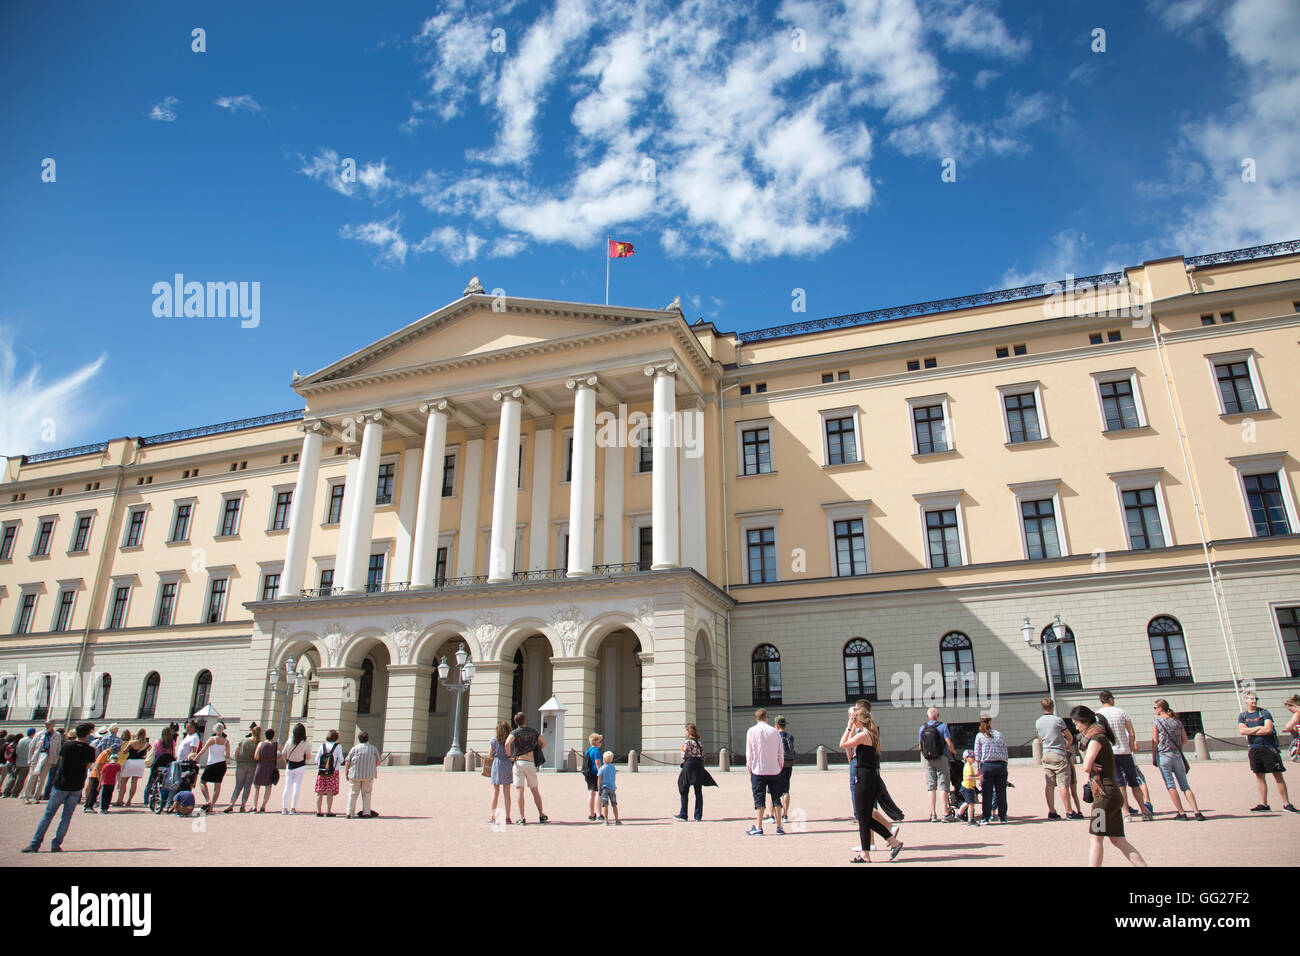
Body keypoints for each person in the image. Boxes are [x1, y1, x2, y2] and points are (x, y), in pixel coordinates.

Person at [1070, 706, 1147, 867]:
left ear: (1086, 721)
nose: (1076, 727)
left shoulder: (1096, 738)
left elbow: (1086, 765)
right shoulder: (1100, 736)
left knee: (1095, 838)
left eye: (1077, 723)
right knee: (1118, 839)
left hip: (1103, 796)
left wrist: (1089, 766)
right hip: (1112, 794)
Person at [840, 702, 904, 863]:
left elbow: (842, 744)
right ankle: (890, 842)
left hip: (865, 778)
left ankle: (867, 853)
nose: (852, 721)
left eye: (854, 719)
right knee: (866, 817)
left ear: (860, 720)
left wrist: (849, 727)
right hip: (868, 777)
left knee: (863, 818)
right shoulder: (868, 733)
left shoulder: (863, 735)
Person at [24, 723, 97, 853]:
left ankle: (35, 844)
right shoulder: (90, 750)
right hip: (77, 785)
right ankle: (56, 844)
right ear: (88, 734)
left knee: (48, 815)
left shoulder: (67, 745)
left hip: (61, 784)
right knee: (66, 817)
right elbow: (88, 766)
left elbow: (61, 760)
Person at [1096, 691, 1155, 821]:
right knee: (1134, 782)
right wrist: (1131, 747)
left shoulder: (1097, 715)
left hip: (1110, 753)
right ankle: (1144, 810)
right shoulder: (1122, 712)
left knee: (1119, 783)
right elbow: (1131, 733)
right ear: (1110, 699)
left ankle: (1126, 812)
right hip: (1125, 752)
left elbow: (1098, 735)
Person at [1238, 691, 1296, 812]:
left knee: (1277, 775)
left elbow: (1268, 729)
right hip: (1254, 748)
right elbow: (1242, 731)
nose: (1254, 701)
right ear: (1246, 701)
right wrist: (1259, 728)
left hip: (1268, 747)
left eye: (1255, 699)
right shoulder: (1243, 715)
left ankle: (1286, 803)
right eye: (1251, 699)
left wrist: (1252, 730)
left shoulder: (1264, 712)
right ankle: (1263, 803)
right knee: (1259, 776)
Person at [1151, 699, 1204, 821]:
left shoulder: (1157, 723)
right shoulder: (1177, 722)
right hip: (1177, 756)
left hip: (1164, 756)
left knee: (1171, 785)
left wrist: (1154, 756)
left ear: (1160, 708)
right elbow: (1185, 739)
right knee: (1185, 785)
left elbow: (1155, 741)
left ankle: (1181, 812)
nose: (1154, 710)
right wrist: (1177, 746)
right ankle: (1197, 812)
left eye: (1155, 708)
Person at [1036, 698, 1082, 820]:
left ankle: (1052, 811)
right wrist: (1067, 745)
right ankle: (1069, 811)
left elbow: (1040, 738)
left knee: (1049, 785)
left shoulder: (1038, 722)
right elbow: (1069, 736)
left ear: (1042, 707)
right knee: (1063, 784)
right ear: (1052, 707)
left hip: (1046, 753)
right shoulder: (1058, 720)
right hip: (1058, 753)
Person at [744, 709, 785, 836]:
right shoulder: (775, 732)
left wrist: (749, 767)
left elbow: (749, 752)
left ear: (757, 718)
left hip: (758, 769)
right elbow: (780, 751)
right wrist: (780, 766)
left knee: (759, 798)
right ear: (766, 718)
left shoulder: (751, 731)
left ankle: (759, 826)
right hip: (774, 769)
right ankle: (779, 827)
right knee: (776, 797)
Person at [505, 712, 548, 825]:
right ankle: (541, 814)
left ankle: (522, 817)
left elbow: (507, 743)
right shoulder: (533, 731)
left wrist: (509, 756)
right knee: (535, 790)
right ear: (525, 720)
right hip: (531, 762)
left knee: (520, 790)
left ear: (515, 722)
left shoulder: (515, 732)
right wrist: (538, 749)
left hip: (519, 762)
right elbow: (544, 742)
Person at [918, 707, 957, 822]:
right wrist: (953, 751)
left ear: (927, 716)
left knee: (931, 786)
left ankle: (933, 813)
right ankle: (945, 813)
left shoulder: (922, 728)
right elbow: (948, 742)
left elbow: (921, 746)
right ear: (937, 715)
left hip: (928, 759)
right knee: (943, 785)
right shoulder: (942, 726)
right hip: (941, 757)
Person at [675, 722, 716, 821]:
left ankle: (683, 813)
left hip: (689, 765)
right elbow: (703, 756)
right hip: (699, 766)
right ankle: (698, 816)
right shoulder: (699, 743)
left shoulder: (687, 742)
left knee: (684, 787)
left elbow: (683, 755)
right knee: (698, 791)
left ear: (688, 733)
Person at [974, 714, 1009, 824]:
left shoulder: (980, 736)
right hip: (1000, 765)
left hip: (987, 766)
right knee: (1001, 793)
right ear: (990, 722)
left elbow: (977, 754)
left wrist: (978, 769)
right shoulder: (999, 735)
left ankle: (986, 817)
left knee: (987, 793)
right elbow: (1005, 751)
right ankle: (1003, 817)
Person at [23, 720, 63, 803]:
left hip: (48, 757)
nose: (47, 725)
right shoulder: (39, 734)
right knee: (32, 777)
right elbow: (32, 747)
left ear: (53, 725)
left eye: (49, 724)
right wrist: (30, 759)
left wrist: (55, 760)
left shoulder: (57, 735)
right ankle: (26, 796)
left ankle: (36, 797)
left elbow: (58, 749)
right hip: (38, 757)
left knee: (42, 779)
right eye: (46, 724)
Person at [344, 730, 381, 819]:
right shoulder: (373, 748)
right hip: (368, 775)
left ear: (359, 739)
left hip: (355, 774)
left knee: (353, 793)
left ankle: (349, 812)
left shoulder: (355, 748)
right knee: (367, 793)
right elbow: (378, 761)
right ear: (367, 739)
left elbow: (347, 762)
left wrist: (346, 773)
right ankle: (366, 812)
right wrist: (372, 766)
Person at [225, 724, 261, 813]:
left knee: (238, 786)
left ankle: (231, 803)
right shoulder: (258, 743)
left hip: (241, 765)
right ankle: (242, 805)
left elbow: (237, 752)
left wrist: (238, 760)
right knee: (247, 787)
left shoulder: (243, 740)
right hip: (252, 766)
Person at [193, 723, 229, 812]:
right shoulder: (226, 741)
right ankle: (212, 805)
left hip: (212, 763)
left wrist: (196, 757)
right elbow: (227, 755)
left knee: (202, 782)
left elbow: (203, 750)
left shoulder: (212, 739)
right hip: (222, 764)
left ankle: (208, 800)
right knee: (217, 785)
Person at [281, 723, 311, 814]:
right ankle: (292, 809)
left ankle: (284, 808)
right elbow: (308, 756)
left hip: (290, 765)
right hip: (300, 766)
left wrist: (286, 761)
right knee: (296, 787)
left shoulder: (289, 741)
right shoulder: (305, 742)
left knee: (287, 787)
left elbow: (283, 753)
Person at [116, 729, 150, 806]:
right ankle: (129, 801)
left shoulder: (132, 742)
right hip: (140, 762)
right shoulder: (146, 743)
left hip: (131, 761)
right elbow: (149, 750)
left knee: (123, 782)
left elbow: (125, 751)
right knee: (134, 783)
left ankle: (120, 800)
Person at [488, 721, 513, 825]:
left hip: (497, 763)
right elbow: (512, 752)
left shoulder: (494, 739)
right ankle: (507, 817)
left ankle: (493, 816)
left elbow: (490, 755)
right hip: (507, 763)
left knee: (495, 791)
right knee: (507, 792)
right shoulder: (510, 740)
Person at [771, 716, 795, 821]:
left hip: (776, 765)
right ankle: (785, 815)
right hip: (788, 764)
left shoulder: (774, 736)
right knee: (786, 790)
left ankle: (771, 815)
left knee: (772, 790)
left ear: (776, 725)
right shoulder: (790, 736)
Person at [252, 727, 281, 812]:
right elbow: (281, 752)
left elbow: (256, 756)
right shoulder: (276, 744)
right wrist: (275, 758)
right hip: (271, 766)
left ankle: (254, 806)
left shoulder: (261, 744)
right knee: (268, 787)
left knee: (257, 787)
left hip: (261, 765)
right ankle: (263, 806)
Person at [315, 729, 344, 817]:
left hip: (322, 771)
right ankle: (328, 811)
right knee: (330, 791)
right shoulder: (338, 746)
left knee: (320, 792)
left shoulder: (322, 746)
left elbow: (317, 759)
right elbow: (341, 759)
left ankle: (318, 811)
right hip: (333, 771)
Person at [146, 726, 176, 803]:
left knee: (151, 781)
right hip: (167, 763)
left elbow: (153, 752)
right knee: (165, 781)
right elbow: (174, 754)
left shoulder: (158, 742)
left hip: (157, 762)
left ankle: (146, 799)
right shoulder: (172, 743)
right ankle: (165, 797)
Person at [5, 728, 36, 798]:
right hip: (25, 763)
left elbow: (17, 751)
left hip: (17, 762)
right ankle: (14, 793)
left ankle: (6, 792)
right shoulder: (32, 741)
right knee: (20, 780)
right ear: (33, 733)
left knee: (12, 778)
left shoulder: (21, 740)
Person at [582, 733, 604, 821]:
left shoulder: (588, 750)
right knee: (599, 793)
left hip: (588, 774)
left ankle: (591, 814)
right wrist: (601, 774)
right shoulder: (596, 751)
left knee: (591, 793)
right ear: (596, 742)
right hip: (596, 774)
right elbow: (598, 763)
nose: (601, 743)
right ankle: (599, 814)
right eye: (599, 741)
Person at [598, 751, 621, 825]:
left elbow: (599, 779)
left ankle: (606, 820)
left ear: (603, 759)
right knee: (614, 804)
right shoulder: (613, 768)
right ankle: (617, 819)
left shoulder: (602, 768)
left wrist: (599, 789)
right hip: (612, 788)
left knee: (605, 805)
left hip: (604, 788)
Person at [959, 749, 980, 825]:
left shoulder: (969, 766)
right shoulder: (968, 767)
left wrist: (976, 776)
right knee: (971, 804)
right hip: (967, 788)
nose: (974, 758)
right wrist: (979, 778)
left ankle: (959, 814)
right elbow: (969, 777)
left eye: (974, 757)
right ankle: (970, 820)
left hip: (968, 787)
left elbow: (971, 776)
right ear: (966, 758)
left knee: (968, 803)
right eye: (972, 757)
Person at [1285, 695, 1300, 763]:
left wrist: (1291, 730)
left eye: (1290, 710)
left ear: (1294, 706)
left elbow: (1288, 726)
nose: (1291, 712)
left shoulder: (1297, 714)